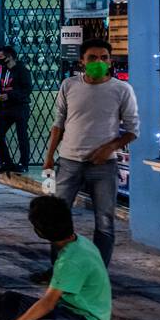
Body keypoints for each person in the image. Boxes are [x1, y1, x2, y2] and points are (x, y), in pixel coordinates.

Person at [39, 38, 138, 277]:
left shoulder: (122, 90)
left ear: (110, 61)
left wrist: (110, 148)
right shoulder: (69, 85)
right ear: (82, 61)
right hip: (69, 161)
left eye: (104, 58)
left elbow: (133, 130)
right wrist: (50, 156)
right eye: (92, 58)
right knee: (58, 218)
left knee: (104, 221)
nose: (99, 62)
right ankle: (59, 271)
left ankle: (97, 274)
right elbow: (58, 123)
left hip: (104, 166)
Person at [0, 195, 111, 320]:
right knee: (10, 299)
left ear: (41, 233)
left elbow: (48, 303)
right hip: (64, 309)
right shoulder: (79, 241)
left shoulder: (71, 261)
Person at [0, 45, 33, 174]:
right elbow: (3, 85)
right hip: (6, 108)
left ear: (9, 57)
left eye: (1, 57)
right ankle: (6, 162)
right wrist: (0, 95)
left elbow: (27, 90)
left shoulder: (22, 70)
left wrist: (9, 95)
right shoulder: (4, 70)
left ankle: (24, 163)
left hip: (20, 107)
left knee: (22, 136)